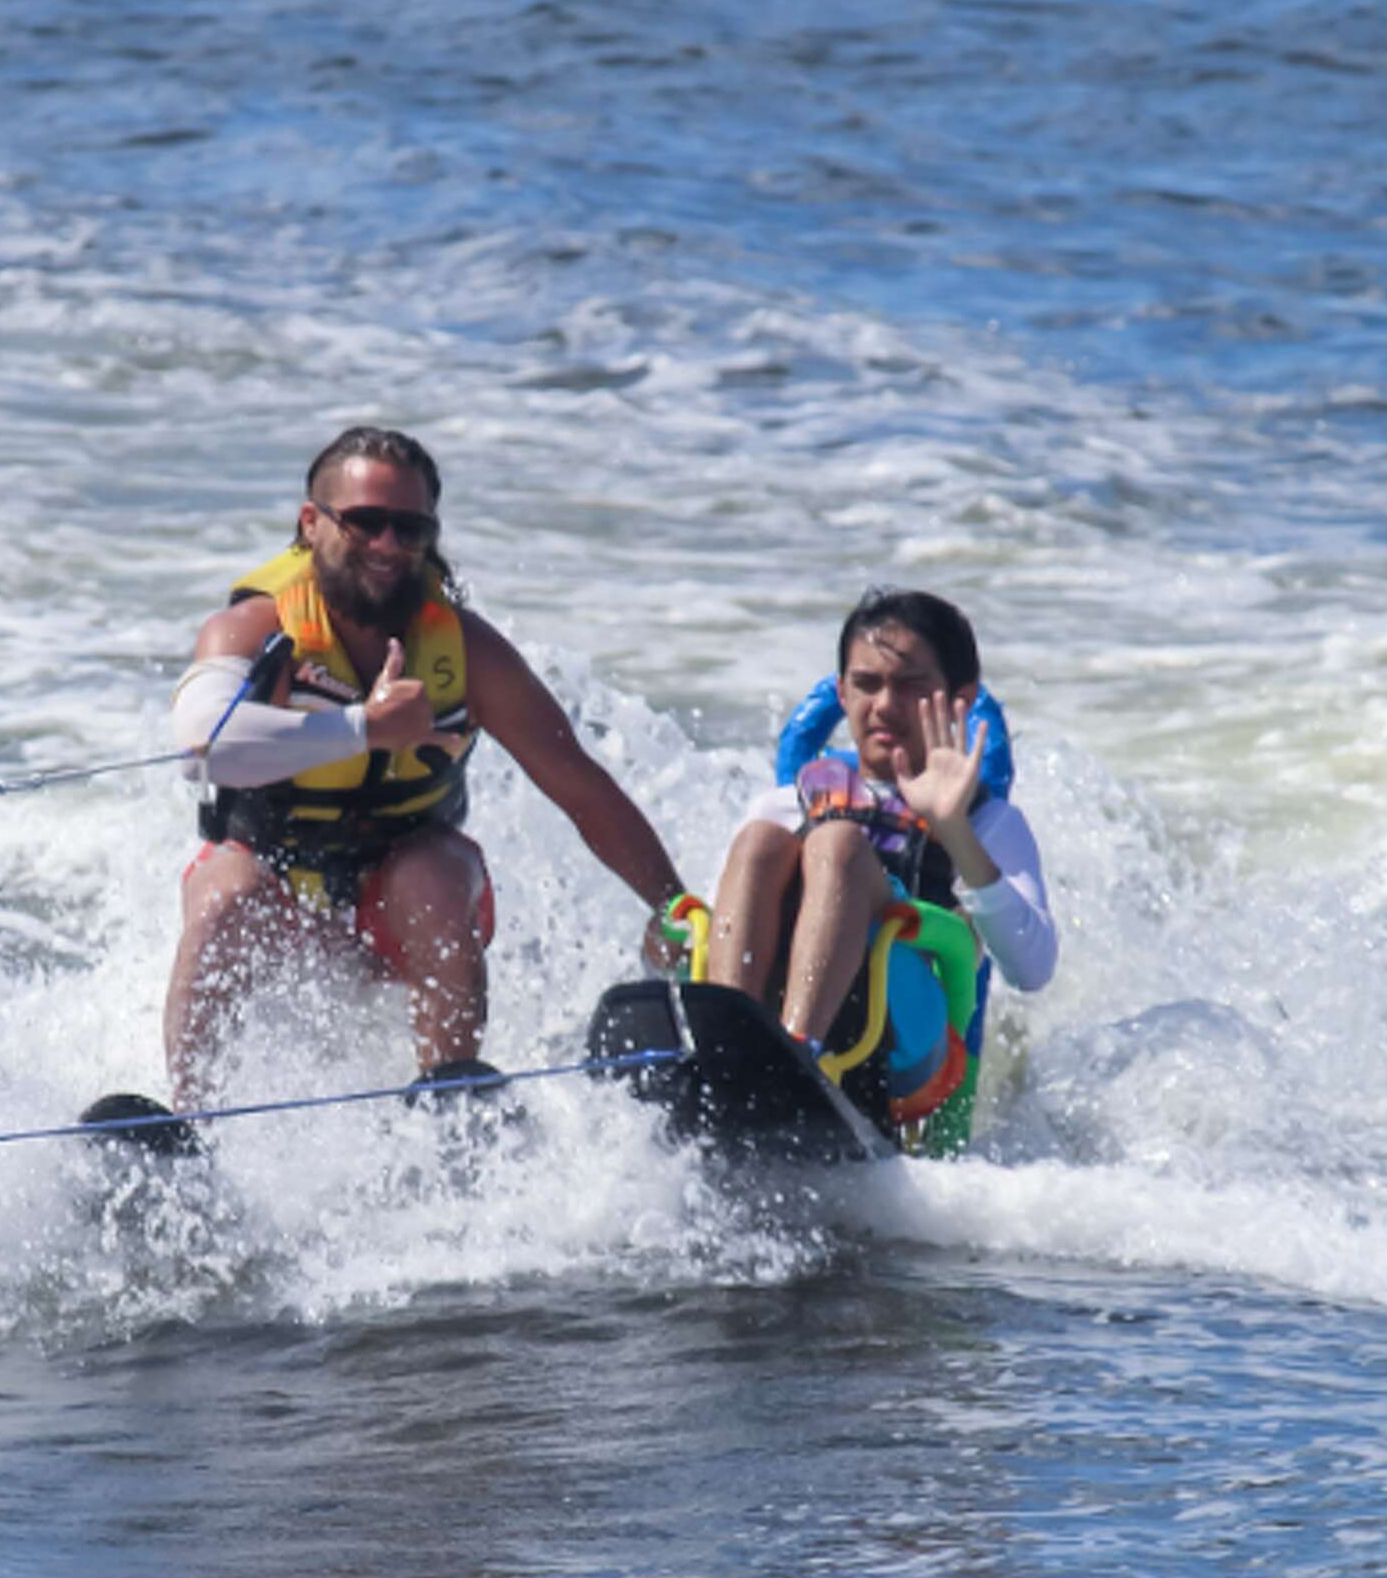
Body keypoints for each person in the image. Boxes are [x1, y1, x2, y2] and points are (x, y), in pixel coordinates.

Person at [156, 426, 685, 1110]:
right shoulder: (255, 631)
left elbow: (580, 787)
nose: (388, 547)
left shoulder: (468, 652)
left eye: (410, 530)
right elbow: (205, 742)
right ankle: (192, 1122)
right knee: (226, 890)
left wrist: (675, 906)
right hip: (275, 887)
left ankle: (449, 1109)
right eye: (366, 523)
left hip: (400, 903)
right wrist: (363, 729)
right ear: (311, 525)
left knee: (436, 874)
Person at [707, 588, 1056, 1139]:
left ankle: (795, 1060)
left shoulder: (989, 823)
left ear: (960, 699)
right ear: (841, 692)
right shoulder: (784, 803)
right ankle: (722, 1048)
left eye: (912, 687)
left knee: (838, 846)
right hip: (780, 1011)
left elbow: (1032, 970)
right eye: (866, 685)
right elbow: (727, 929)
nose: (885, 707)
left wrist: (953, 829)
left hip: (912, 1050)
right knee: (759, 843)